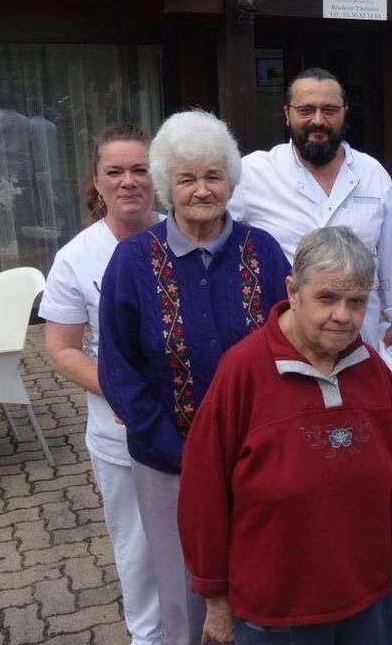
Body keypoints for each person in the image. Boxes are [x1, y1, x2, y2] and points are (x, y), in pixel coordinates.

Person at [178, 227, 392, 645]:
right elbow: (204, 494)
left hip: (367, 604)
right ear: (293, 290)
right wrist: (215, 601)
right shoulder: (243, 371)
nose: (343, 315)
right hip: (275, 614)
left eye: (356, 302)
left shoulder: (373, 372)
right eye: (327, 298)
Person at [99, 111, 291, 645]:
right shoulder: (134, 261)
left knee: (263, 575)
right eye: (186, 179)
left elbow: (290, 346)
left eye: (213, 176)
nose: (202, 190)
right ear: (166, 187)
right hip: (168, 461)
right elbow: (118, 367)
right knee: (184, 593)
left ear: (231, 181)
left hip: (259, 456)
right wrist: (179, 450)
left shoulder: (264, 251)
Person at [40, 124, 165, 645]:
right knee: (137, 541)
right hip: (121, 430)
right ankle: (148, 635)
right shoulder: (77, 256)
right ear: (97, 181)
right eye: (115, 171)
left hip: (198, 423)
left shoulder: (186, 237)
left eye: (139, 169)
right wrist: (120, 390)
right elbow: (61, 349)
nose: (129, 181)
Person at [230, 67, 392, 360]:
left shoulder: (372, 173)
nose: (318, 120)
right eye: (306, 110)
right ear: (286, 114)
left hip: (359, 334)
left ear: (344, 112)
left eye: (329, 110)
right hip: (286, 341)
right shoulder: (253, 173)